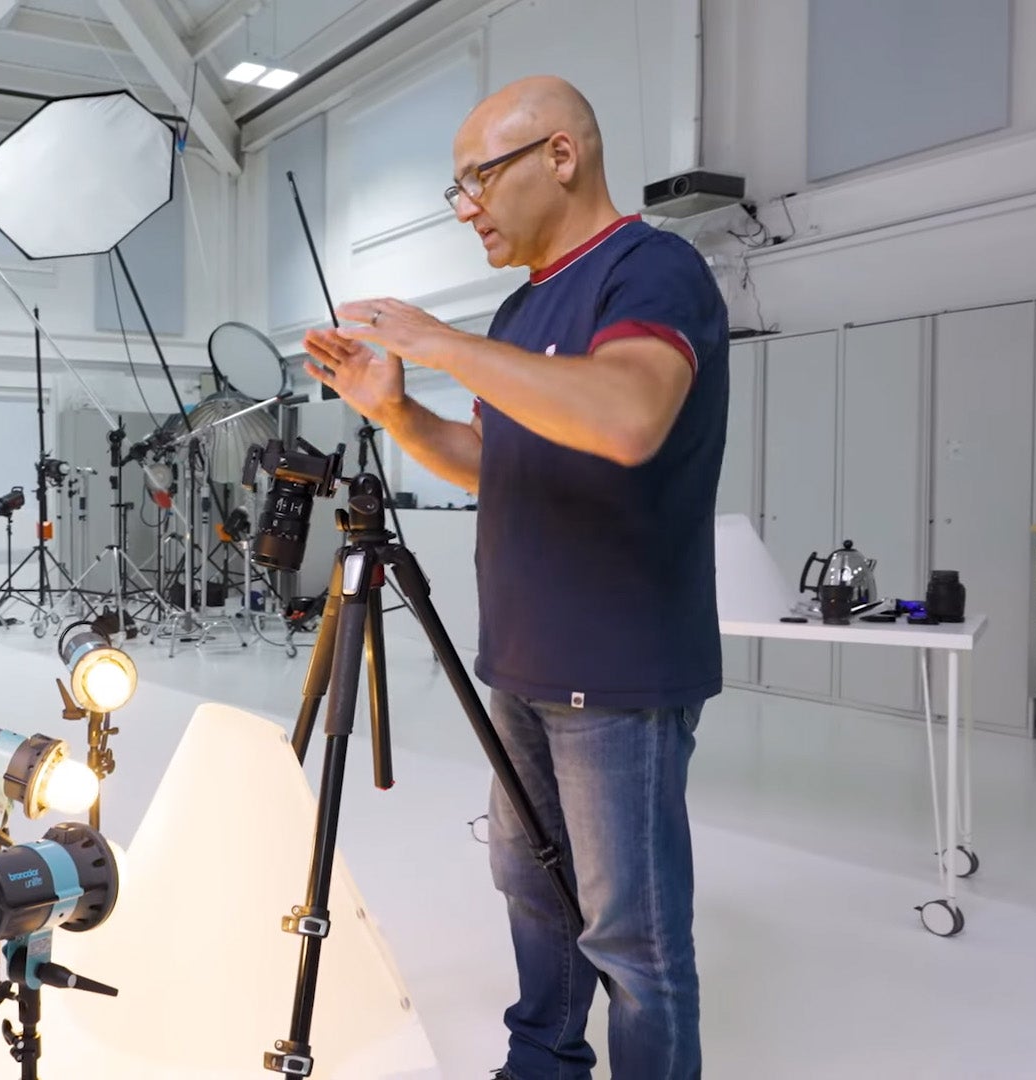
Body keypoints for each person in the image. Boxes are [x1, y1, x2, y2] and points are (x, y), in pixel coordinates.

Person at [302, 76, 727, 1080]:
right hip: (523, 660)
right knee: (531, 887)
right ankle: (541, 1063)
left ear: (562, 156)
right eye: (458, 189)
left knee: (633, 936)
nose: (468, 207)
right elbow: (497, 461)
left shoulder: (653, 270)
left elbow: (627, 418)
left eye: (478, 178)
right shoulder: (518, 308)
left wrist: (440, 342)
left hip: (619, 670)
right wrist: (399, 411)